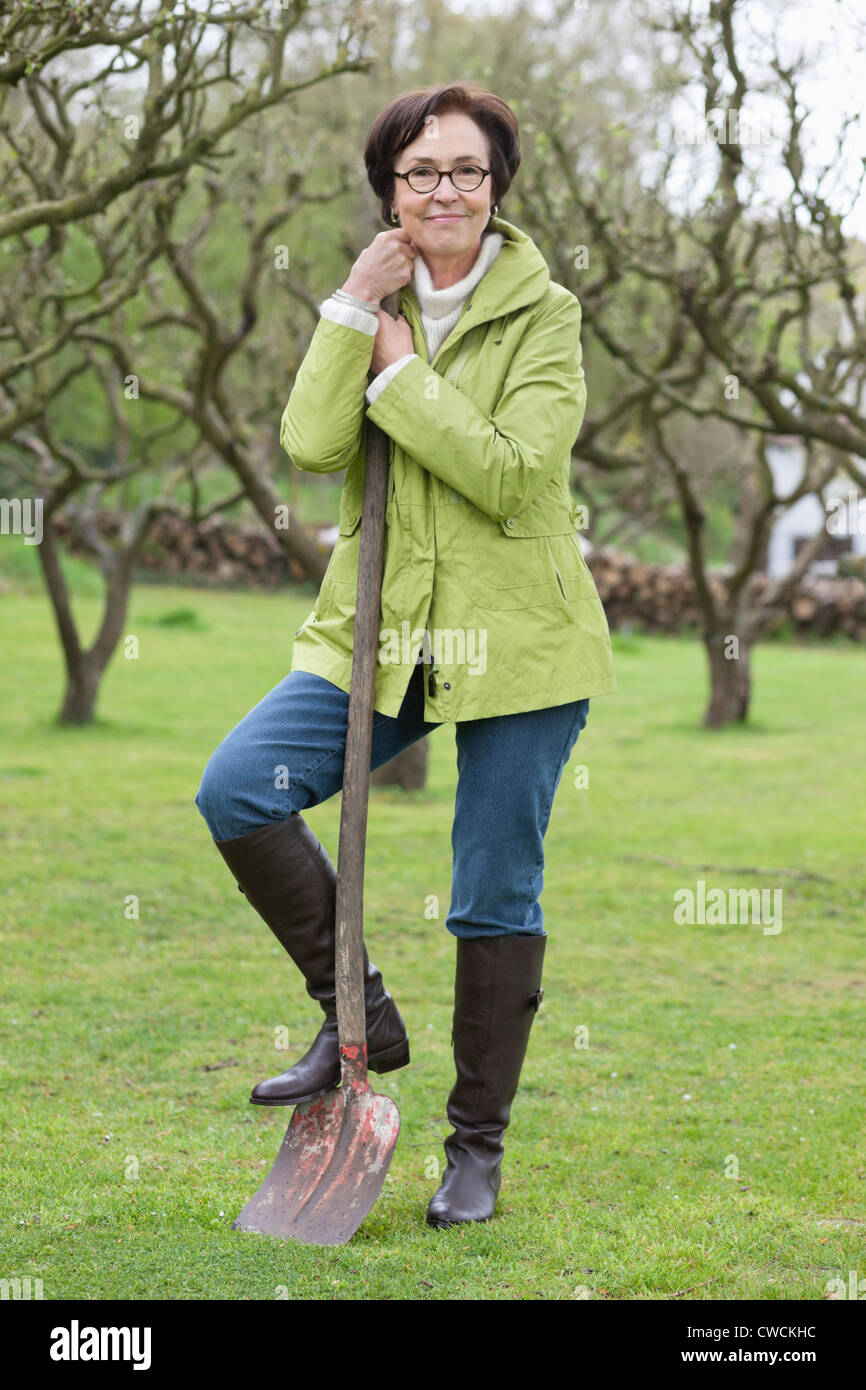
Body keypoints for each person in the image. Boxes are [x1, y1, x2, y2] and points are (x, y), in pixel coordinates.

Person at [195, 80, 617, 1229]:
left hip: (519, 643)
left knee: (490, 886)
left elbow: (507, 469)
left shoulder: (545, 314)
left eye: (467, 171)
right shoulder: (367, 294)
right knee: (238, 787)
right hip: (377, 630)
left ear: (497, 186)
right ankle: (359, 1021)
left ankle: (474, 1149)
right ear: (390, 186)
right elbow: (309, 443)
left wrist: (395, 366)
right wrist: (349, 315)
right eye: (421, 171)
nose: (445, 190)